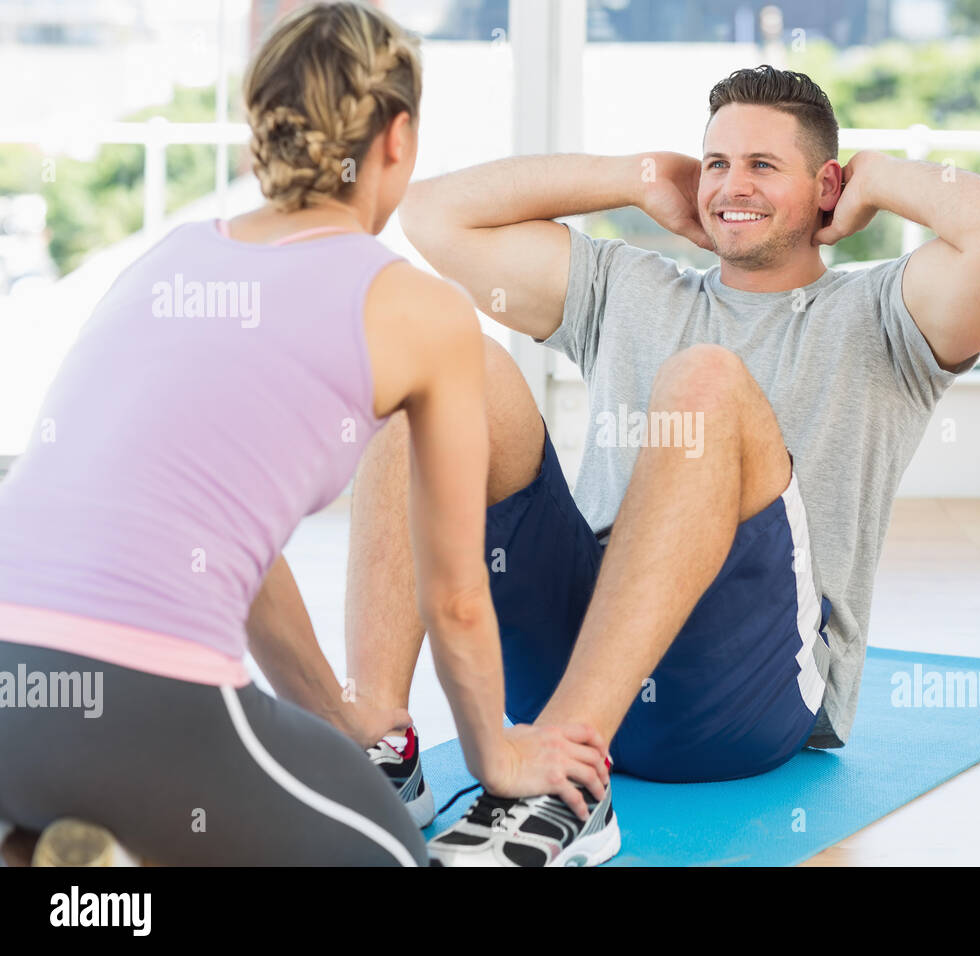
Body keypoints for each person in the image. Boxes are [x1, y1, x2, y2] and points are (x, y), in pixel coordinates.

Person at [339, 64, 980, 866]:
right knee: (438, 360)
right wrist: (636, 178)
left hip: (741, 694)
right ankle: (379, 743)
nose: (730, 185)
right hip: (578, 647)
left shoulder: (885, 315)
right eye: (716, 163)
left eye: (762, 165)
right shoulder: (632, 288)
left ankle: (563, 783)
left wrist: (879, 178)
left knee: (704, 378)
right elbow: (434, 216)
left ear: (825, 184)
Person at [0, 0, 609, 867]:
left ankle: (72, 855)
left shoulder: (165, 262)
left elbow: (213, 544)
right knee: (395, 856)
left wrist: (336, 711)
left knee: (123, 833)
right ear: (396, 138)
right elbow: (456, 593)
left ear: (262, 132)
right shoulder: (418, 309)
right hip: (144, 702)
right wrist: (497, 756)